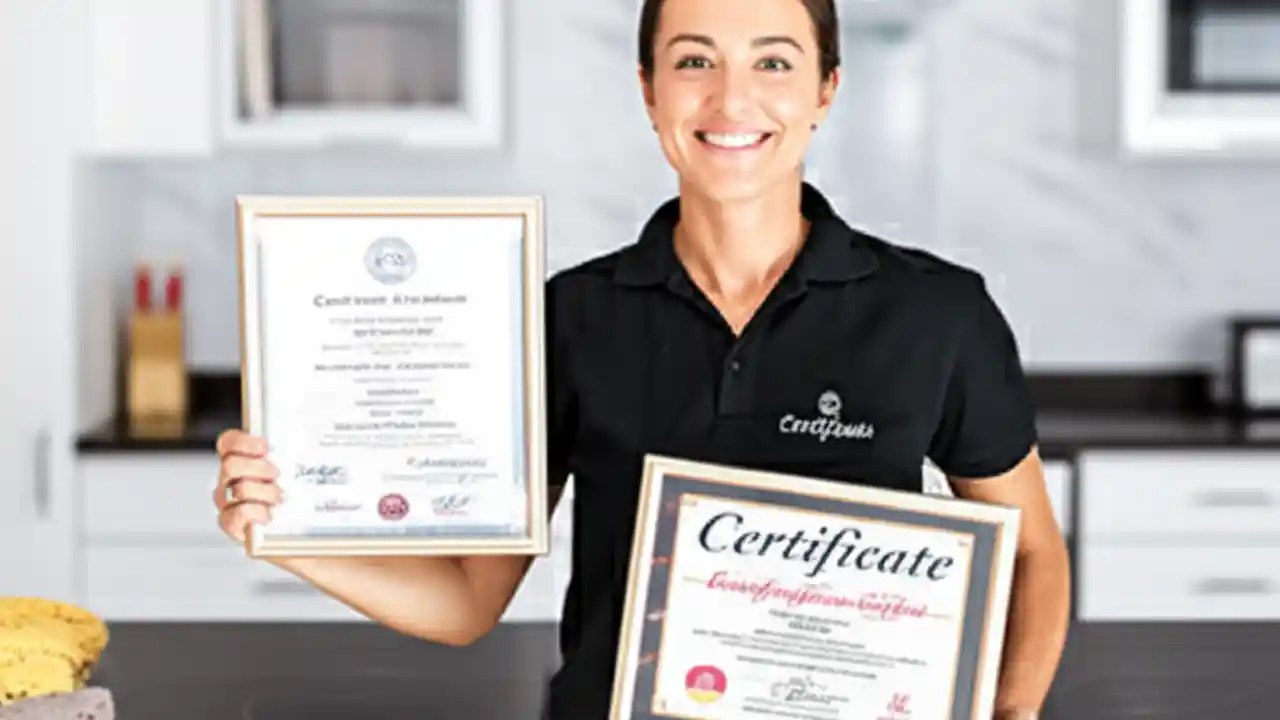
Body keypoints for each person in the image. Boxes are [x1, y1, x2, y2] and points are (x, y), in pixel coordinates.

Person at [212, 0, 1071, 718]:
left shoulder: (938, 314)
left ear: (826, 90)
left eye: (773, 63)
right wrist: (283, 534)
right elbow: (469, 601)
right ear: (649, 90)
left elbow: (1034, 555)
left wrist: (1012, 709)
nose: (732, 99)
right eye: (694, 61)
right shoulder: (569, 317)